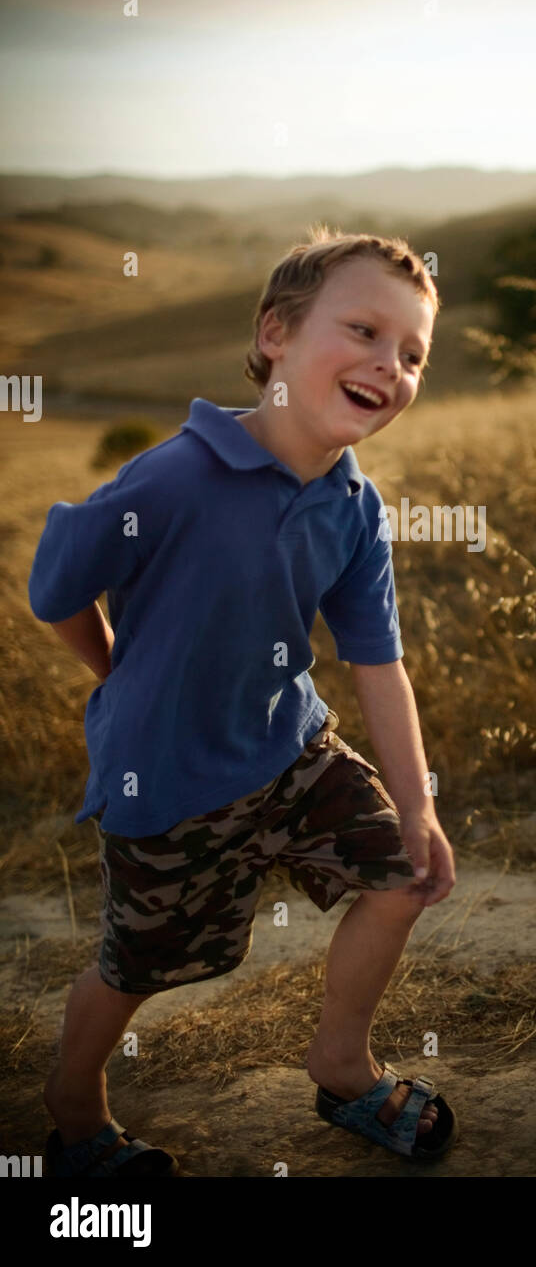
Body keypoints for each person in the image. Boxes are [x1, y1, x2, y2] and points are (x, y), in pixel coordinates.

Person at [28, 228, 458, 1175]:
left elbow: (378, 665)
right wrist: (116, 674)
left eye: (413, 354)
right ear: (275, 334)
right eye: (364, 331)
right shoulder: (175, 476)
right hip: (168, 777)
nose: (389, 366)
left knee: (406, 874)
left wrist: (419, 808)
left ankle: (343, 1064)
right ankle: (73, 1110)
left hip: (290, 749)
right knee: (137, 965)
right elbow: (56, 586)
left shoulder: (353, 507)